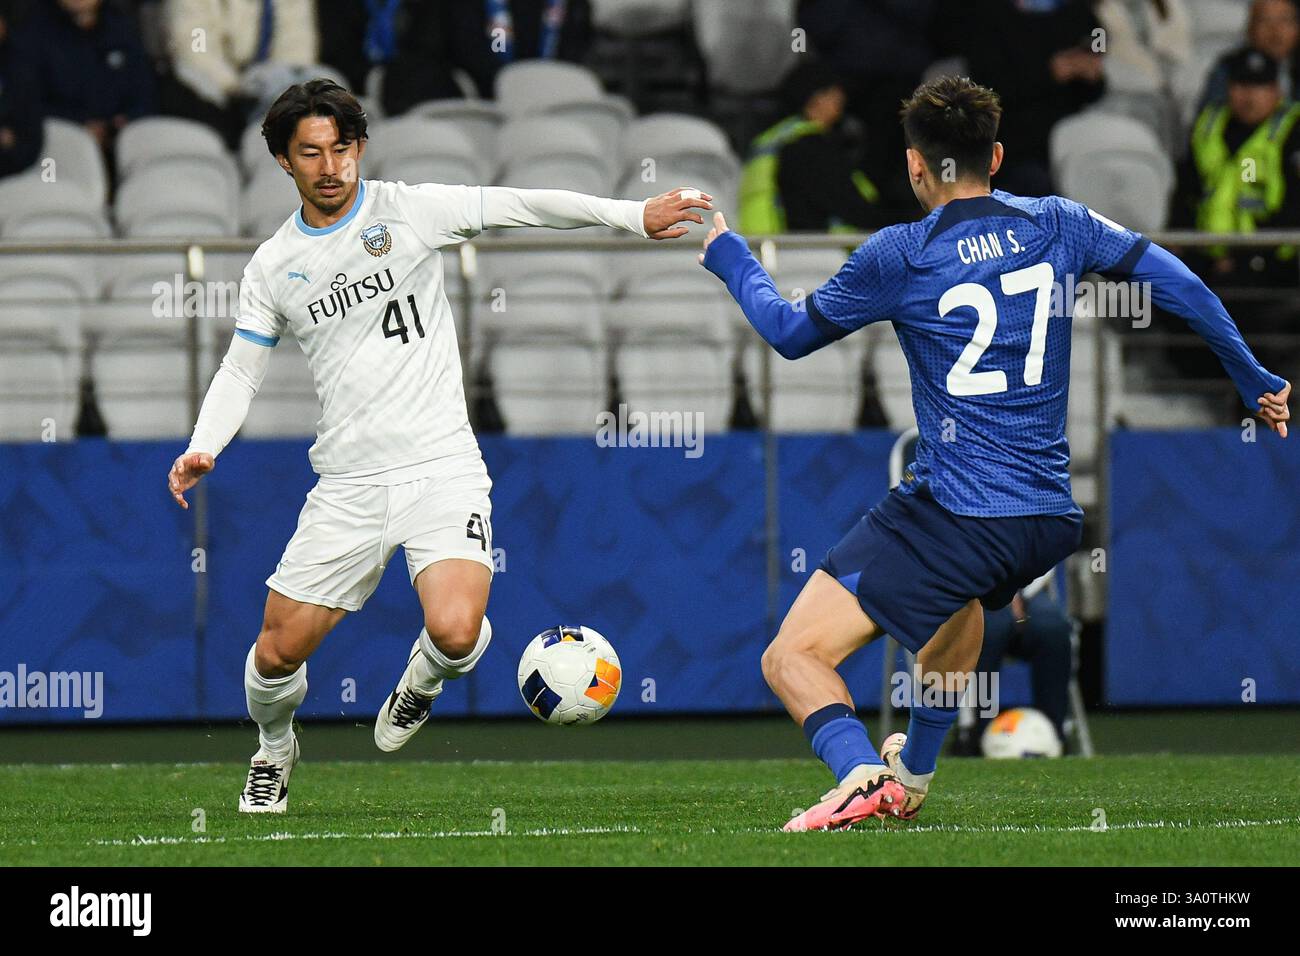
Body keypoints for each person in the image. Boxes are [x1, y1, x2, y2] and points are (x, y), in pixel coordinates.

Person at [699, 75, 1291, 831]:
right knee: (959, 615)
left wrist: (729, 258)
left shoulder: (901, 254)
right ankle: (910, 775)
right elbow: (1177, 281)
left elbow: (788, 333)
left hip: (958, 511)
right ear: (998, 156)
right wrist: (1253, 377)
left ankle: (857, 774)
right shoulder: (1058, 223)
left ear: (917, 166)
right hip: (1047, 521)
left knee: (791, 658)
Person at [166, 78, 711, 813]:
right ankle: (274, 748)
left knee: (456, 633)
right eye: (310, 154)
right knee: (275, 653)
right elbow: (241, 366)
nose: (330, 166)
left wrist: (632, 215)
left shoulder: (410, 210)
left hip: (441, 468)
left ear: (359, 147)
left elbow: (519, 205)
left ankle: (420, 684)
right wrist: (205, 445)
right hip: (349, 484)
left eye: (341, 148)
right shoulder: (273, 266)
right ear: (283, 163)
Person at [1172, 47, 1300, 285]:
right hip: (1205, 257)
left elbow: (1294, 210)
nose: (1249, 96)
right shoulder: (1207, 126)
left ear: (1276, 91)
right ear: (1229, 87)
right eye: (1241, 85)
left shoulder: (1292, 131)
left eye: (1259, 87)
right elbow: (1185, 192)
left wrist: (1245, 257)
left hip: (1271, 261)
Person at [738, 60, 890, 234]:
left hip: (770, 248)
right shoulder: (809, 145)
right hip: (814, 250)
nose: (842, 98)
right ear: (816, 98)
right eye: (835, 92)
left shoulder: (773, 139)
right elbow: (848, 205)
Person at [951, 572, 1074, 755]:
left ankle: (1053, 734)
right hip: (979, 592)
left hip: (1030, 589)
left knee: (1053, 629)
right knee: (987, 629)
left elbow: (1046, 554)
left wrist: (1020, 594)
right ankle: (978, 733)